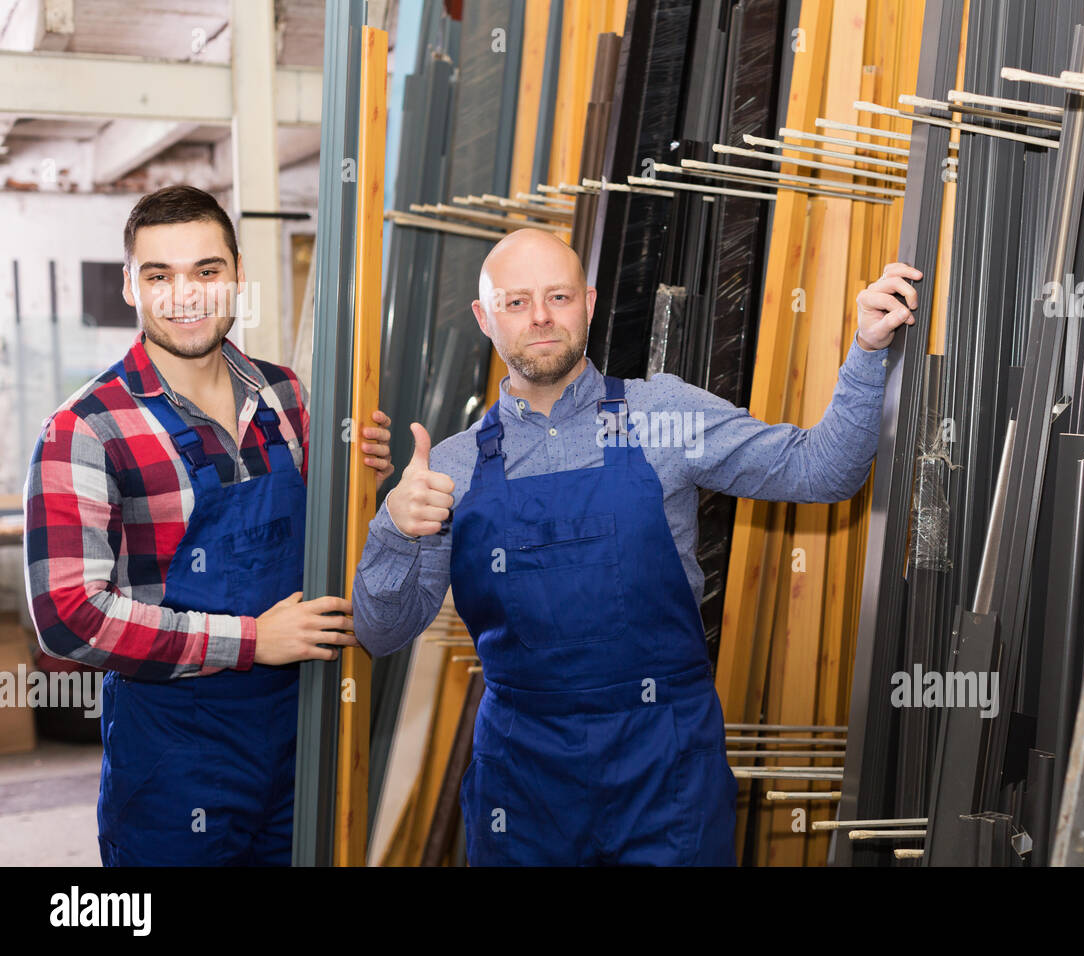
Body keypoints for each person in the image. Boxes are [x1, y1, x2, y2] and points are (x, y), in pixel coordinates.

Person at [352, 227, 920, 866]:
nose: (540, 316)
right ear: (485, 317)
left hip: (665, 769)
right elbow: (381, 632)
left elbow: (822, 470)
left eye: (558, 297)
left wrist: (867, 350)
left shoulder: (665, 419)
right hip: (524, 783)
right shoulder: (448, 468)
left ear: (589, 304)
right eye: (516, 302)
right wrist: (394, 528)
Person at [23, 185, 394, 866]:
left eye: (206, 270)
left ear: (237, 277)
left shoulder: (286, 396)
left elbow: (329, 541)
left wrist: (365, 484)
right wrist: (251, 641)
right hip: (174, 758)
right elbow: (69, 618)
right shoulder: (86, 429)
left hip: (298, 732)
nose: (184, 294)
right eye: (159, 275)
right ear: (130, 286)